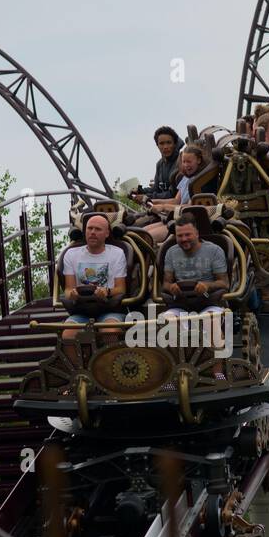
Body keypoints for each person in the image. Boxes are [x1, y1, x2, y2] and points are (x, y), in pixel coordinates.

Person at [161, 214, 229, 376]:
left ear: (197, 234)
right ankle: (178, 373)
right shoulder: (171, 252)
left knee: (210, 321)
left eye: (187, 234)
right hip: (181, 304)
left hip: (208, 303)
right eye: (180, 236)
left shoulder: (213, 250)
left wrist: (207, 285)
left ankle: (217, 373)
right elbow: (165, 283)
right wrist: (172, 287)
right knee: (168, 322)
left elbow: (224, 283)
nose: (184, 239)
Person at [61, 213, 128, 363]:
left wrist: (107, 291)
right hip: (82, 309)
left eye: (98, 229)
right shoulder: (71, 254)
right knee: (68, 335)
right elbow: (68, 289)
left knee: (109, 331)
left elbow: (121, 289)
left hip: (110, 308)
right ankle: (80, 372)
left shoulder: (117, 253)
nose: (92, 232)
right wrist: (72, 294)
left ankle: (108, 369)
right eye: (89, 228)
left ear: (107, 233)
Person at [133, 126, 182, 200]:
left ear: (175, 144)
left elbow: (173, 194)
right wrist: (140, 191)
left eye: (169, 143)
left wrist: (147, 197)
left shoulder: (182, 162)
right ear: (157, 146)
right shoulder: (159, 164)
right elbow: (156, 189)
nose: (165, 147)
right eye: (161, 143)